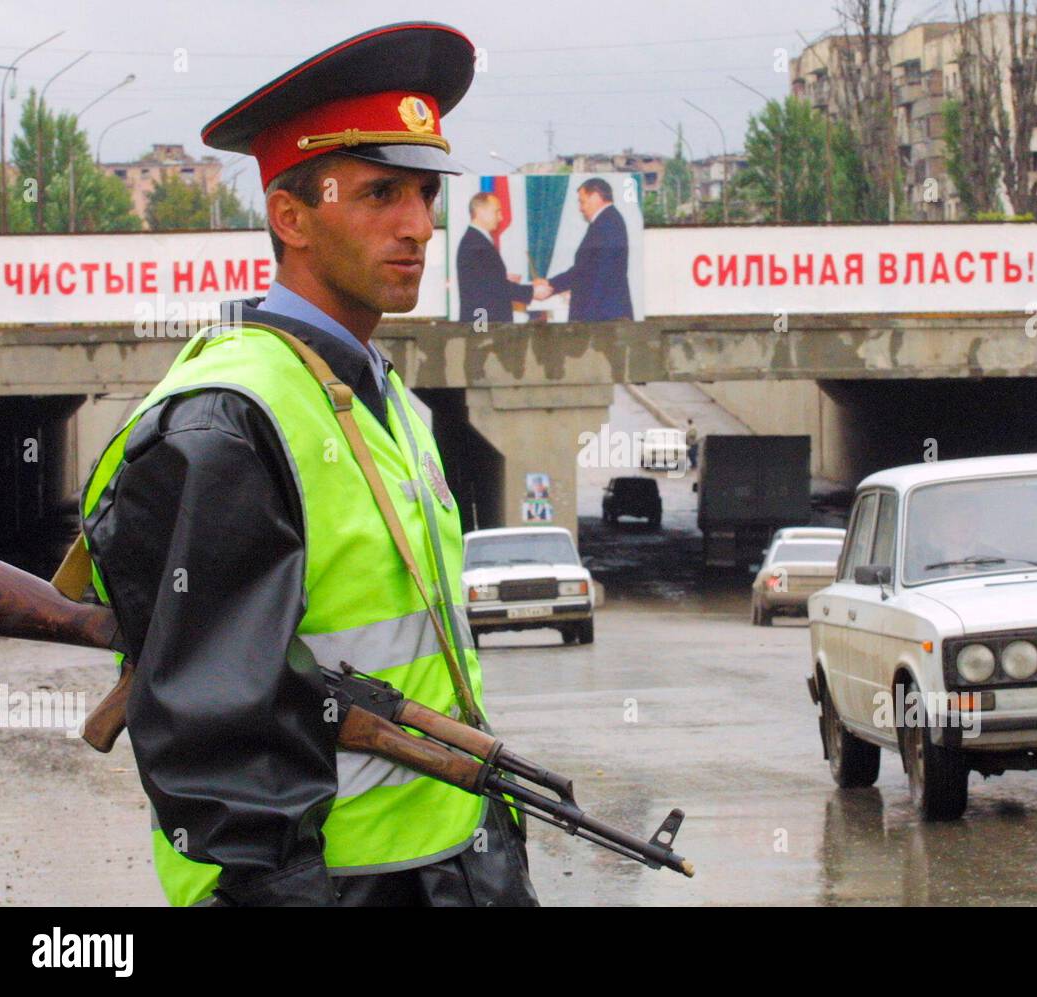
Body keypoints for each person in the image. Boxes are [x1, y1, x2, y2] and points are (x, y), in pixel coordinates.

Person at [78, 22, 537, 907]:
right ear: (290, 215)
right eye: (378, 195)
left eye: (423, 195)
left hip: (446, 869)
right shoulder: (231, 414)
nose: (418, 227)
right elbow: (214, 744)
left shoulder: (386, 397)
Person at [533, 178, 633, 320]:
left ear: (596, 197)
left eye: (582, 201)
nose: (581, 208)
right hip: (603, 312)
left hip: (603, 315)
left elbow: (599, 275)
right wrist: (551, 283)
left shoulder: (608, 223)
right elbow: (585, 269)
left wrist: (586, 318)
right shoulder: (605, 221)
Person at [456, 192, 534, 323]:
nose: (501, 218)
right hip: (482, 322)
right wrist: (531, 291)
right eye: (497, 212)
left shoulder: (476, 240)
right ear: (480, 211)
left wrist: (502, 277)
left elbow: (485, 279)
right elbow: (493, 286)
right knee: (480, 344)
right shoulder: (475, 243)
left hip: (484, 321)